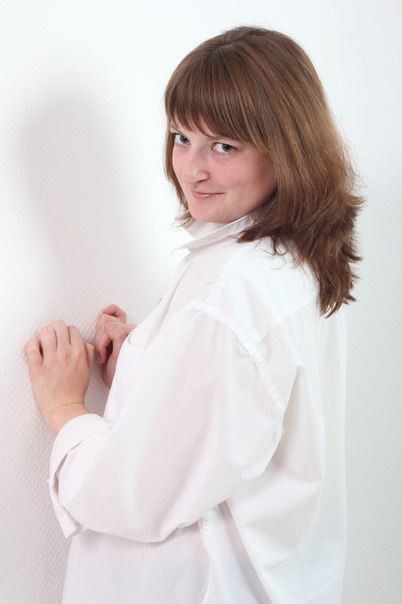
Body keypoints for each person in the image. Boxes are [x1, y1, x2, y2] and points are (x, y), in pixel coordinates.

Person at [26, 26, 362, 604]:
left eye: (224, 147)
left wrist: (65, 410)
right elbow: (245, 415)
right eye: (182, 137)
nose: (192, 169)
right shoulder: (288, 261)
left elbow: (137, 495)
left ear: (287, 148)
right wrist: (151, 360)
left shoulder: (229, 295)